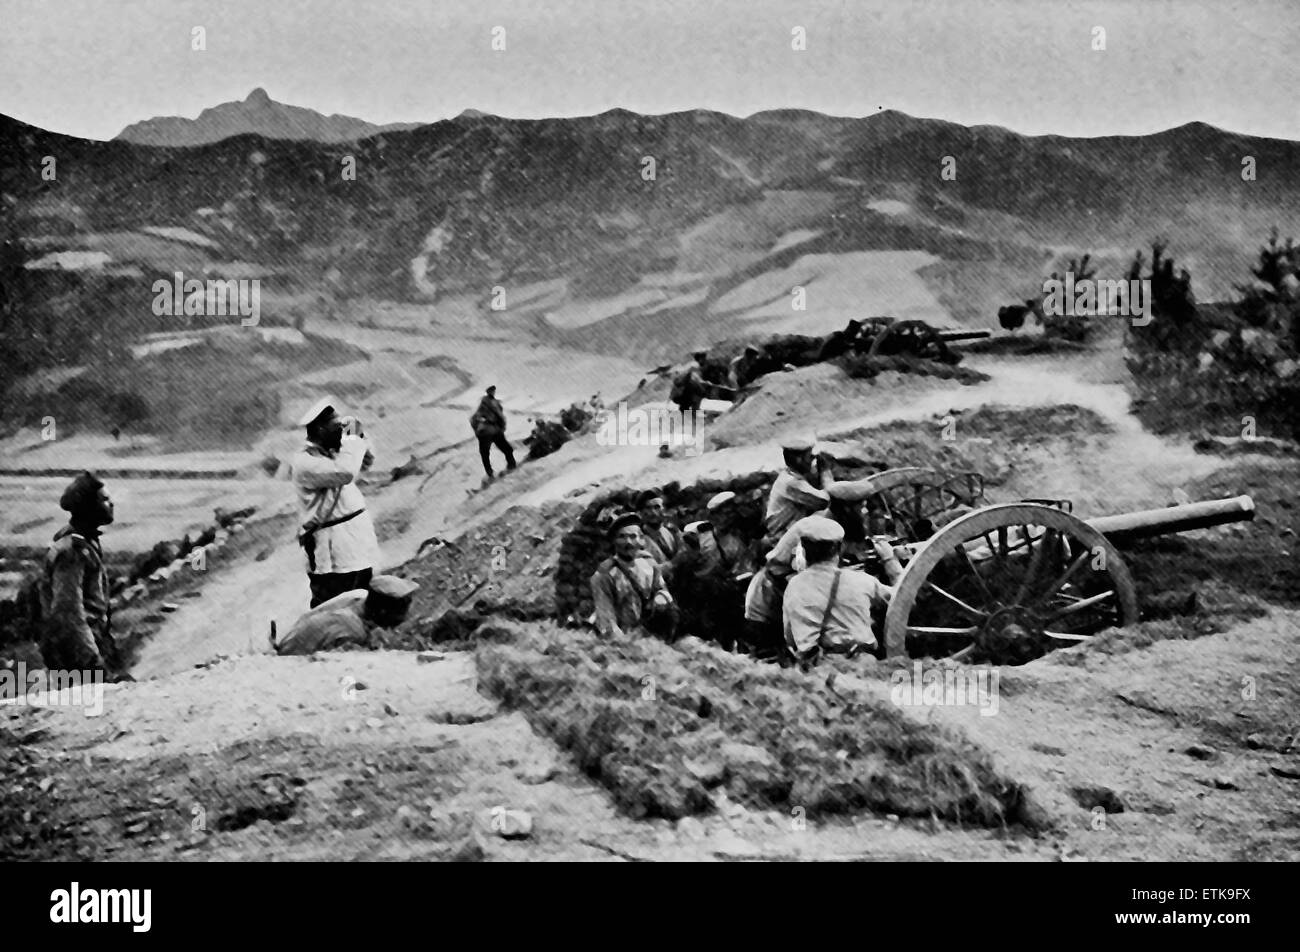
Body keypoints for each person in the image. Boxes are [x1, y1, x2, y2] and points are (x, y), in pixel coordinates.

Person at [290, 398, 381, 608]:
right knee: (332, 606)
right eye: (335, 426)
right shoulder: (304, 462)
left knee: (363, 599)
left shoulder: (334, 452)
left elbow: (367, 461)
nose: (341, 431)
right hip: (333, 552)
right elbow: (346, 471)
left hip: (356, 543)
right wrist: (352, 440)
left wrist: (358, 433)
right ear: (320, 429)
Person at [36, 471, 124, 676]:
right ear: (89, 508)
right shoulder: (71, 551)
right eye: (104, 499)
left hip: (90, 643)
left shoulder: (84, 541)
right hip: (75, 654)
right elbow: (69, 615)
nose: (112, 504)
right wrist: (94, 665)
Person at [781, 517, 902, 664]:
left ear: (804, 550)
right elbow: (904, 600)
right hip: (862, 665)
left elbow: (790, 637)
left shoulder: (794, 585)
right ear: (839, 548)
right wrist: (890, 560)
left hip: (818, 669)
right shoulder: (862, 581)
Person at [274, 574, 419, 655]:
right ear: (382, 612)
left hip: (288, 637)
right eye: (400, 613)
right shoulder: (353, 632)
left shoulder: (358, 597)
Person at [590, 512, 678, 640]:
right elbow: (607, 620)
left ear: (641, 539)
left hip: (653, 637)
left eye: (633, 536)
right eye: (622, 537)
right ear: (614, 541)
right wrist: (625, 645)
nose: (628, 542)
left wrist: (661, 597)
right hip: (625, 639)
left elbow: (662, 589)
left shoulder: (648, 564)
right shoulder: (605, 575)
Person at [763, 436, 832, 543]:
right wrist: (825, 471)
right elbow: (825, 501)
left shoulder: (790, 475)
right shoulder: (790, 482)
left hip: (786, 530)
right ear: (798, 460)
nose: (812, 461)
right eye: (809, 457)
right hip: (780, 537)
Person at [470, 385, 517, 480]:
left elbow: (473, 419)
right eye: (492, 391)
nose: (493, 392)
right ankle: (510, 465)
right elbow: (500, 417)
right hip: (493, 430)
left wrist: (478, 430)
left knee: (485, 453)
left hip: (486, 431)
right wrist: (502, 427)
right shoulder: (492, 403)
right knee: (505, 449)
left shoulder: (483, 403)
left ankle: (490, 472)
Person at [636, 490, 681, 571]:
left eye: (657, 507)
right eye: (648, 508)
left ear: (663, 509)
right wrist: (675, 561)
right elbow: (650, 571)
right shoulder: (638, 540)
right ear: (641, 513)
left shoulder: (672, 531)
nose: (653, 512)